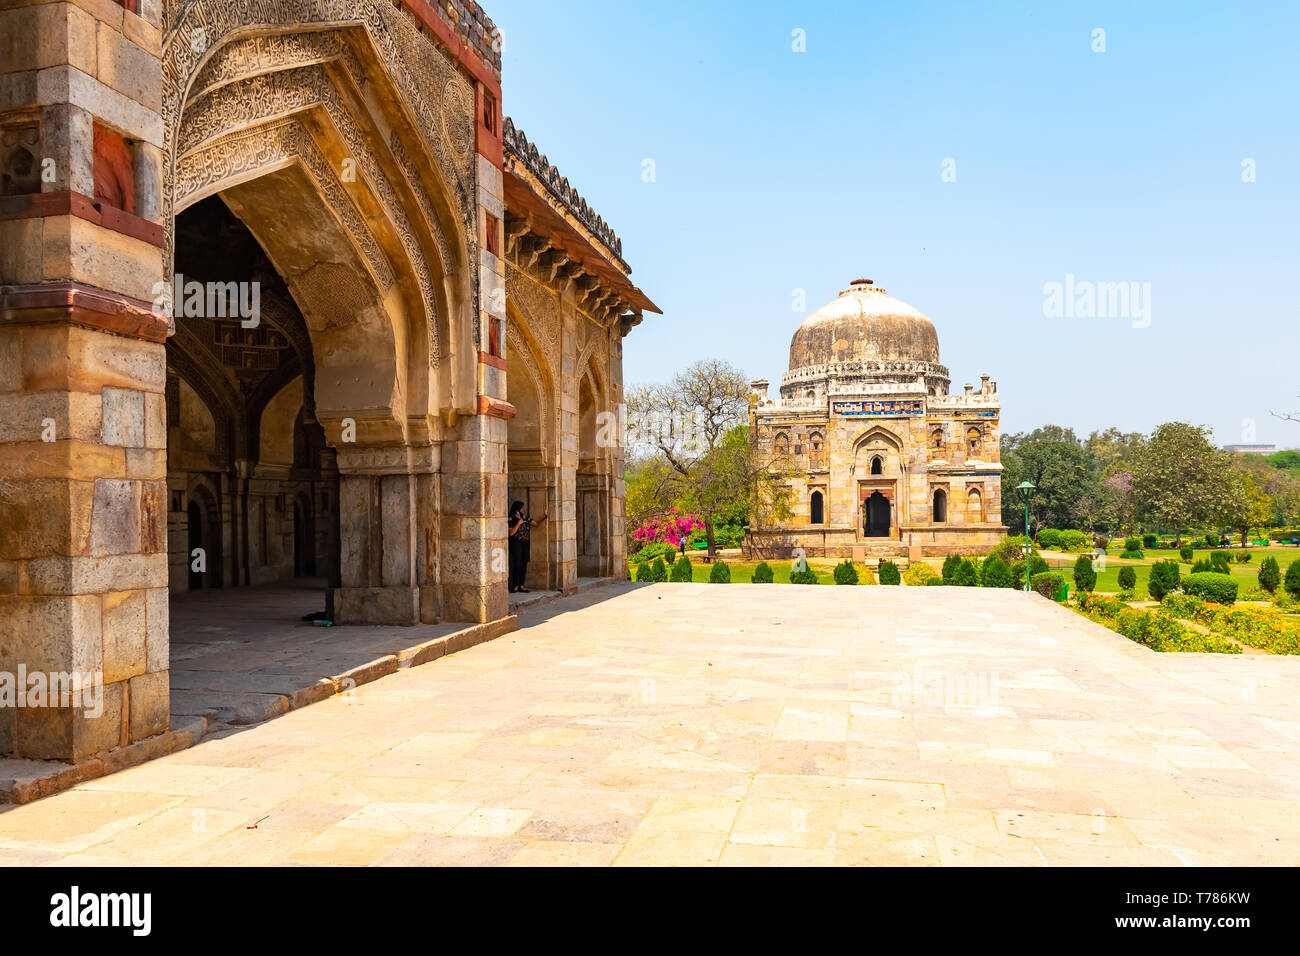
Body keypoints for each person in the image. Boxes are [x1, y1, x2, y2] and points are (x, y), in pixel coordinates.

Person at [508, 500, 548, 593]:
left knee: (524, 564)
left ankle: (521, 585)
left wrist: (544, 517)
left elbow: (536, 524)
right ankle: (515, 586)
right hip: (516, 544)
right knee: (517, 564)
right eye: (522, 508)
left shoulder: (526, 518)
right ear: (517, 509)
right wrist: (518, 523)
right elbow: (511, 533)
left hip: (525, 544)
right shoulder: (511, 519)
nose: (523, 509)